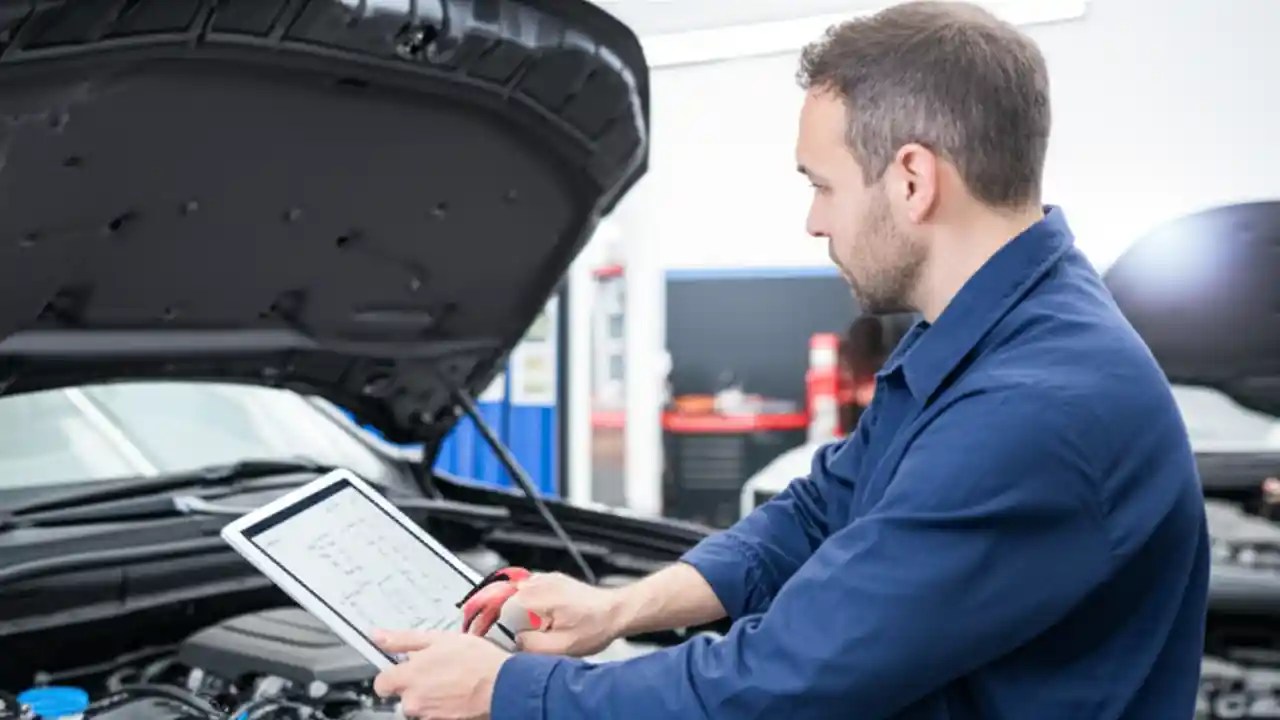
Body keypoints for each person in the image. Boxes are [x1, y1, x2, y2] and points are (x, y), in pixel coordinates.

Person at [370, 2, 1209, 718]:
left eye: (823, 184)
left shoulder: (1037, 409)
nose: (814, 221)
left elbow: (787, 680)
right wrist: (617, 608)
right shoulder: (989, 332)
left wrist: (514, 690)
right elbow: (819, 512)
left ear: (912, 180)